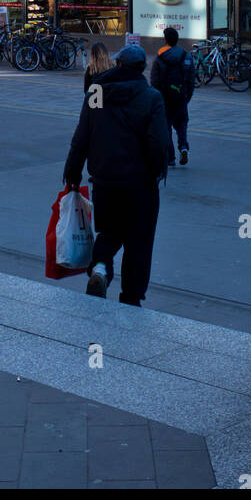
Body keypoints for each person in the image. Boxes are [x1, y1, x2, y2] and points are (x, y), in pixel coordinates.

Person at [63, 42, 172, 307]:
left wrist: (72, 173)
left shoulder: (97, 92)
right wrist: (159, 171)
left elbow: (82, 137)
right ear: (142, 69)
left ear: (118, 65)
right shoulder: (151, 97)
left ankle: (100, 268)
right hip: (141, 184)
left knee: (109, 231)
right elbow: (159, 142)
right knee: (139, 240)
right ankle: (132, 296)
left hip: (105, 180)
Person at [150, 26, 196, 167]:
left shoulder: (160, 57)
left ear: (165, 40)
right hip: (180, 96)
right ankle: (183, 147)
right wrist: (186, 97)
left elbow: (154, 81)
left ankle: (170, 157)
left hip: (164, 98)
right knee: (182, 125)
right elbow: (191, 80)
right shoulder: (186, 56)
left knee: (166, 128)